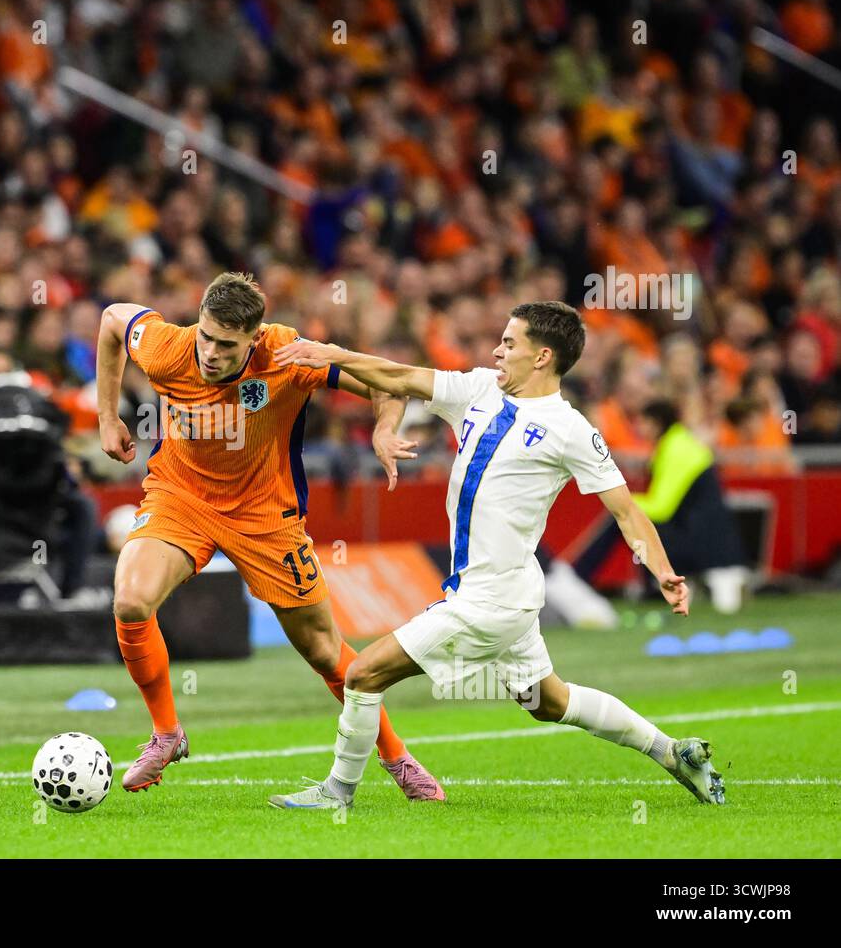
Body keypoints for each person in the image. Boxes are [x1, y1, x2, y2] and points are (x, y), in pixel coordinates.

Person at [267, 301, 726, 809]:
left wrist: (662, 570)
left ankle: (337, 792)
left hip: (489, 602)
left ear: (542, 356)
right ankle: (671, 752)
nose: (497, 350)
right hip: (510, 591)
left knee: (362, 673)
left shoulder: (570, 429)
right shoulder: (480, 388)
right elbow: (397, 375)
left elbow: (625, 509)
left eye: (510, 343)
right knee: (549, 702)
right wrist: (335, 355)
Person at [96, 271, 437, 798]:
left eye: (226, 345)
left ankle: (397, 758)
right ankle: (166, 733)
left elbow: (385, 378)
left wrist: (385, 428)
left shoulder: (288, 355)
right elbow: (112, 319)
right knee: (131, 601)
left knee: (325, 651)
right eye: (206, 336)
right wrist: (105, 416)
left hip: (264, 516)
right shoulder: (168, 348)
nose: (210, 353)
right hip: (180, 498)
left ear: (254, 338)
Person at [574, 399, 750, 613]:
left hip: (700, 545)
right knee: (631, 521)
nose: (639, 429)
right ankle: (588, 576)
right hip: (707, 540)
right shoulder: (679, 443)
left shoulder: (676, 449)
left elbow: (661, 508)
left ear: (657, 423)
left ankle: (579, 577)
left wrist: (620, 500)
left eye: (643, 423)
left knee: (624, 520)